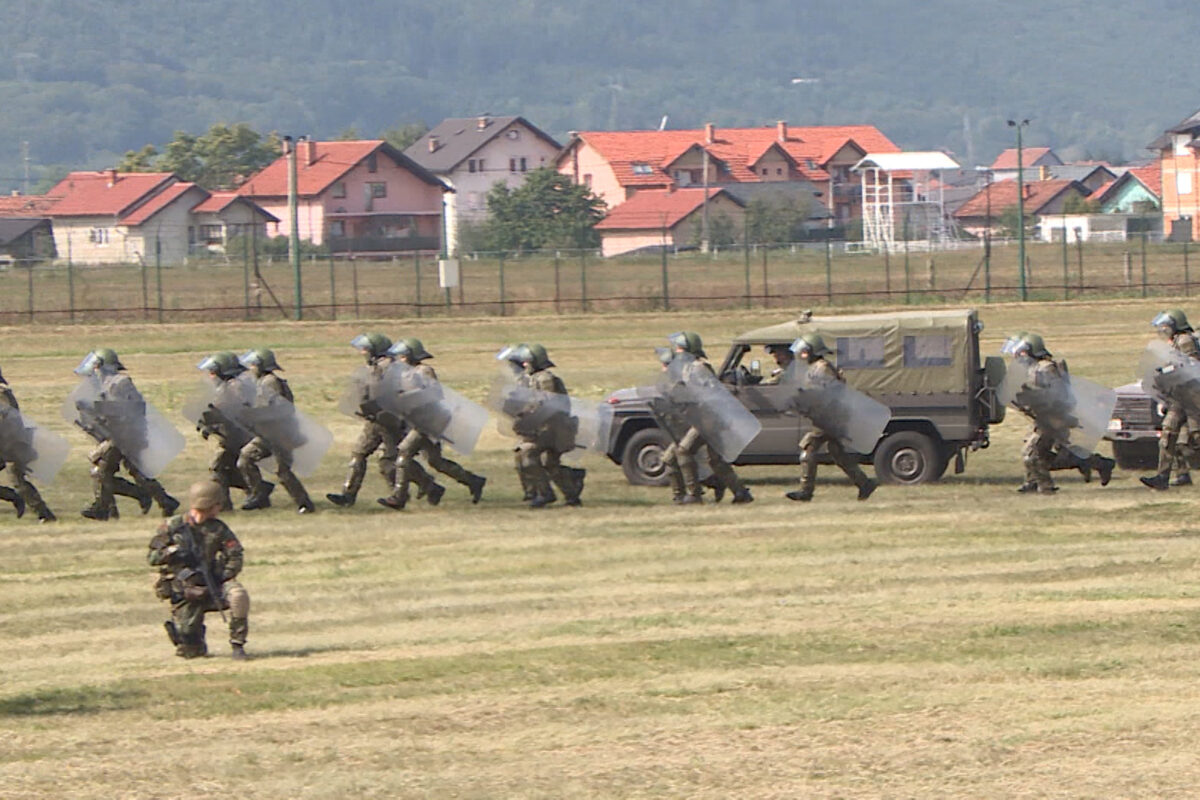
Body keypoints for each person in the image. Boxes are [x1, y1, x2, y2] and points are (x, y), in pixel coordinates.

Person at [378, 338, 486, 510]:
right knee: (436, 461)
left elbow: (434, 393)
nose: (399, 360)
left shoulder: (424, 371)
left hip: (429, 421)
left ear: (413, 355)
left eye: (403, 356)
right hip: (415, 421)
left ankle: (399, 497)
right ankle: (473, 480)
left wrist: (406, 396)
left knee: (403, 452)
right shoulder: (403, 373)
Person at [148, 479, 250, 660]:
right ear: (210, 504)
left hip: (214, 582)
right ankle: (191, 639)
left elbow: (235, 555)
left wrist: (223, 575)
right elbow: (152, 557)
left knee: (238, 596)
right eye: (218, 504)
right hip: (186, 588)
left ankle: (238, 645)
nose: (220, 508)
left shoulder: (218, 528)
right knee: (189, 649)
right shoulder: (173, 526)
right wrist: (173, 552)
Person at [74, 348, 179, 520]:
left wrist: (96, 408)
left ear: (102, 366)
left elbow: (127, 409)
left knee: (102, 470)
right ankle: (165, 501)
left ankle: (102, 508)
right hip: (120, 435)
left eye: (96, 367)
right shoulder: (105, 384)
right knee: (137, 473)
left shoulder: (120, 382)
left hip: (127, 436)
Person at [660, 331, 753, 505]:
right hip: (698, 419)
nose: (677, 352)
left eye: (680, 348)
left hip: (709, 419)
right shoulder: (686, 368)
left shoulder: (699, 368)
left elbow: (709, 393)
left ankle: (694, 495)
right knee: (715, 461)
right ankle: (740, 493)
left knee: (684, 450)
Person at [784, 333, 878, 502]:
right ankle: (864, 484)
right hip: (828, 416)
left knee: (809, 447)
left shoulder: (822, 367)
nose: (801, 355)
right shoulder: (814, 367)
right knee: (838, 453)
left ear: (812, 351)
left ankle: (806, 491)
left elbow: (832, 391)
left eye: (804, 351)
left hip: (831, 417)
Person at [327, 333, 404, 507]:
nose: (362, 352)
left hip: (388, 419)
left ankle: (405, 493)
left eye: (366, 349)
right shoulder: (375, 366)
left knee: (391, 460)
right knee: (358, 454)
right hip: (374, 418)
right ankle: (348, 495)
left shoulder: (390, 367)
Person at [237, 348, 315, 513]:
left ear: (260, 365)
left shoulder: (270, 382)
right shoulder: (261, 382)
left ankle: (305, 504)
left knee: (283, 471)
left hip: (281, 434)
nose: (250, 369)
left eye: (253, 365)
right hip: (268, 434)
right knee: (245, 458)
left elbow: (277, 409)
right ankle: (259, 496)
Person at [512, 343, 585, 508]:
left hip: (556, 429)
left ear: (534, 361)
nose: (524, 365)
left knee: (527, 455)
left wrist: (529, 415)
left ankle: (545, 494)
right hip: (546, 428)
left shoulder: (545, 379)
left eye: (526, 361)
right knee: (551, 465)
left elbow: (548, 405)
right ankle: (572, 492)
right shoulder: (531, 379)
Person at [1142, 309, 1200, 490]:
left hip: (1192, 396)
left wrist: (1167, 371)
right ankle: (1165, 476)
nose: (1163, 331)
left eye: (1166, 327)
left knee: (1195, 438)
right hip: (1179, 397)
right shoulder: (1174, 342)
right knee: (1168, 434)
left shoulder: (1185, 341)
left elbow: (1192, 366)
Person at [194, 351, 259, 511]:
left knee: (217, 467)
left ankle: (225, 505)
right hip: (232, 436)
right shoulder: (230, 386)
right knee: (225, 468)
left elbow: (230, 412)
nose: (210, 376)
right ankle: (257, 490)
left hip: (237, 437)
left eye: (213, 372)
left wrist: (211, 424)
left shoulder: (234, 388)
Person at [0, 366, 55, 522]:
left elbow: (8, 420)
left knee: (17, 478)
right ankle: (13, 497)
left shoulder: (2, 394)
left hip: (10, 445)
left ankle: (44, 515)